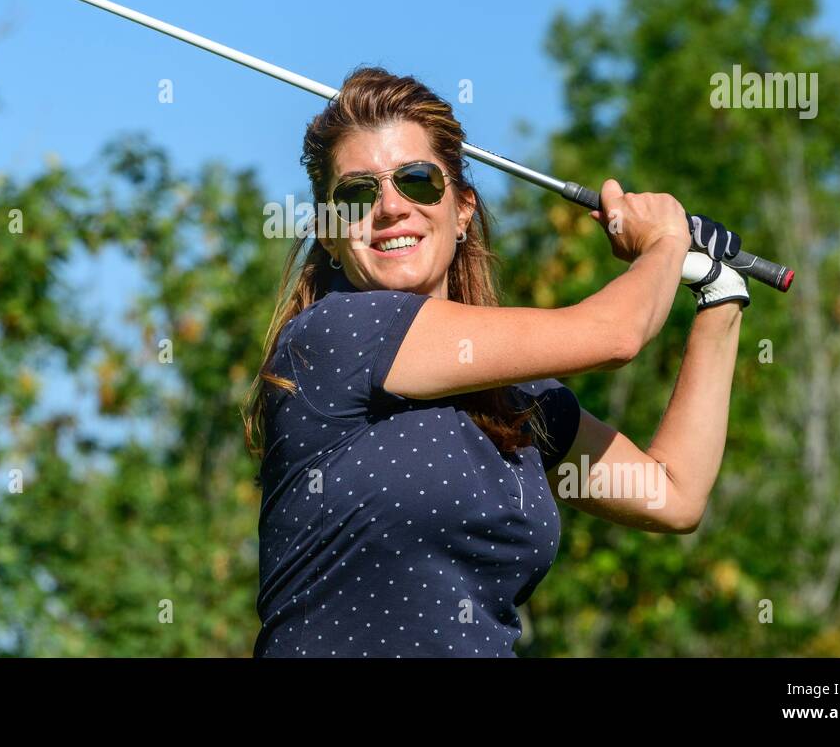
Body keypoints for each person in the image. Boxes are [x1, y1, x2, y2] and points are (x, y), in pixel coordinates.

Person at [242, 67, 748, 657]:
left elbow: (674, 493)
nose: (389, 208)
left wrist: (719, 294)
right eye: (356, 194)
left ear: (461, 209)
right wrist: (664, 243)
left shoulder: (518, 400)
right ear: (330, 235)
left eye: (417, 181)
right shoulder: (334, 336)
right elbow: (615, 335)